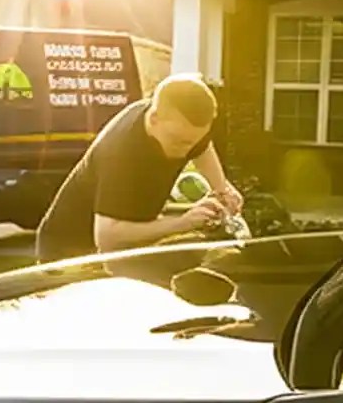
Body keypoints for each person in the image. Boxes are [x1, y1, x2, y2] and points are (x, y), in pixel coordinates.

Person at [34, 73, 244, 263]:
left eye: (192, 141)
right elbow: (107, 237)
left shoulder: (178, 123)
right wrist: (183, 222)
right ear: (154, 119)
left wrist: (221, 189)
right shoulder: (121, 152)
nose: (184, 152)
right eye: (179, 141)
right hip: (71, 254)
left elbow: (202, 147)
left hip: (129, 247)